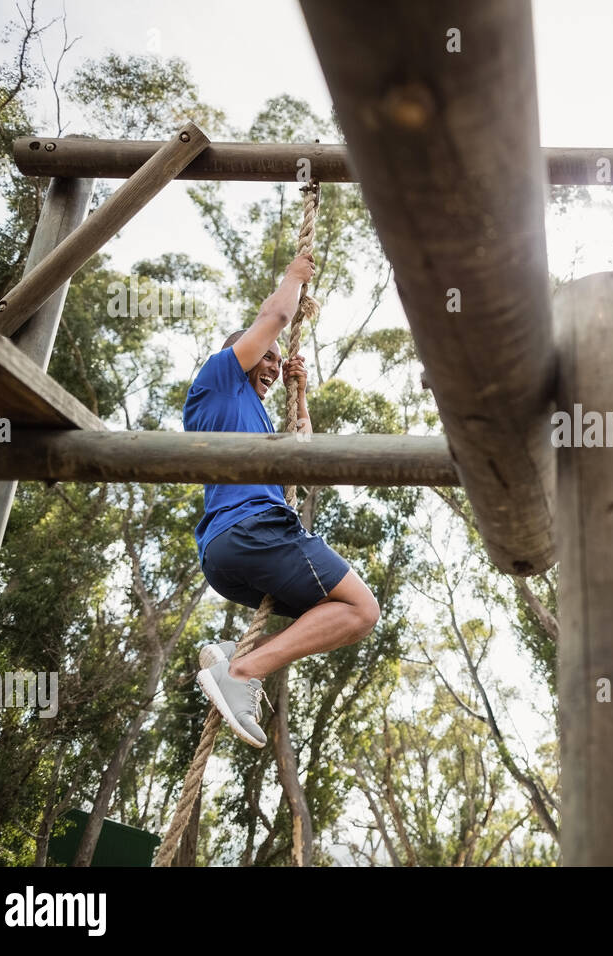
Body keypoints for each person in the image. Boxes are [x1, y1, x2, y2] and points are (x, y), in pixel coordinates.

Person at [182, 252, 380, 749]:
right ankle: (245, 669)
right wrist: (294, 277)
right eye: (265, 356)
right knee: (362, 610)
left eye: (276, 359)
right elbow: (274, 318)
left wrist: (300, 391)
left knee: (339, 614)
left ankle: (236, 659)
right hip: (254, 531)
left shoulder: (257, 419)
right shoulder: (219, 381)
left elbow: (304, 458)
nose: (272, 363)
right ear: (241, 353)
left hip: (229, 555)